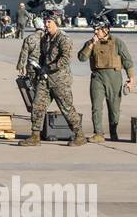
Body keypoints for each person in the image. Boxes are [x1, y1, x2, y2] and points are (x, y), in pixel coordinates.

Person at [19, 10, 86, 147]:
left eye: (49, 22)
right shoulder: (45, 38)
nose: (46, 24)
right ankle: (35, 136)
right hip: (44, 79)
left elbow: (65, 59)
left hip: (60, 80)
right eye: (45, 22)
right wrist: (38, 68)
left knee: (66, 108)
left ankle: (79, 135)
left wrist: (49, 68)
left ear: (56, 22)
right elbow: (43, 56)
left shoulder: (64, 39)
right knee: (37, 105)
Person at [78, 15, 136, 142]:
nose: (95, 31)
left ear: (106, 29)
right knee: (96, 106)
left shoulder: (117, 42)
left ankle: (113, 132)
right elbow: (82, 58)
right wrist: (92, 44)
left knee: (114, 108)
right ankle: (98, 133)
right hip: (97, 77)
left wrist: (131, 79)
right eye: (94, 29)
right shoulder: (91, 43)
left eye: (98, 29)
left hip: (114, 77)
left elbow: (127, 61)